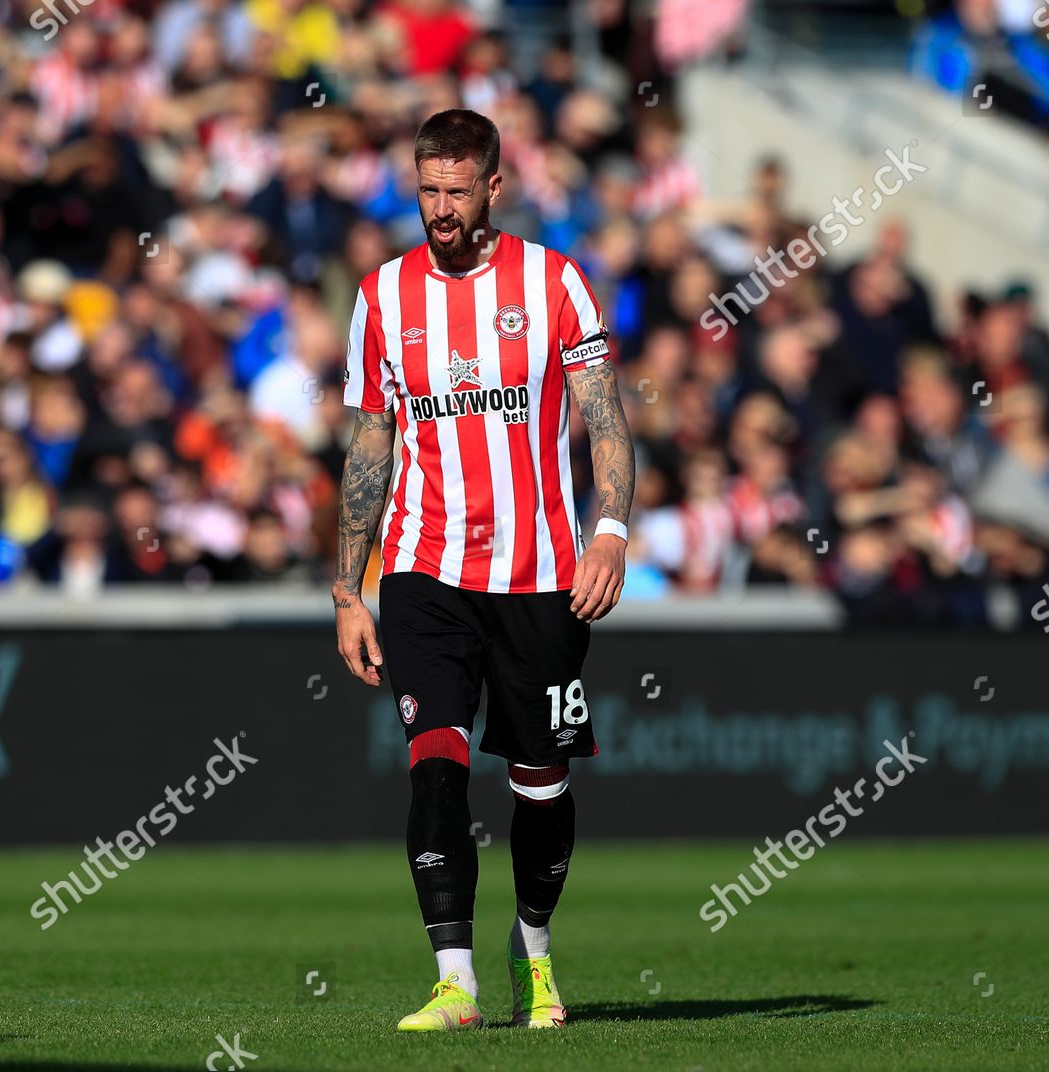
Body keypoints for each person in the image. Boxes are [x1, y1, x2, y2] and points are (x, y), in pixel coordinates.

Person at [329, 109, 633, 1032]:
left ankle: (532, 951)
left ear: (494, 187)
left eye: (458, 191)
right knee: (434, 770)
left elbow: (606, 418)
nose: (441, 209)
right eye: (427, 191)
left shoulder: (555, 284)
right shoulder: (382, 297)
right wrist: (349, 587)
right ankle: (453, 980)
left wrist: (611, 528)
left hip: (542, 574)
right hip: (424, 571)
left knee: (540, 781)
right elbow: (370, 443)